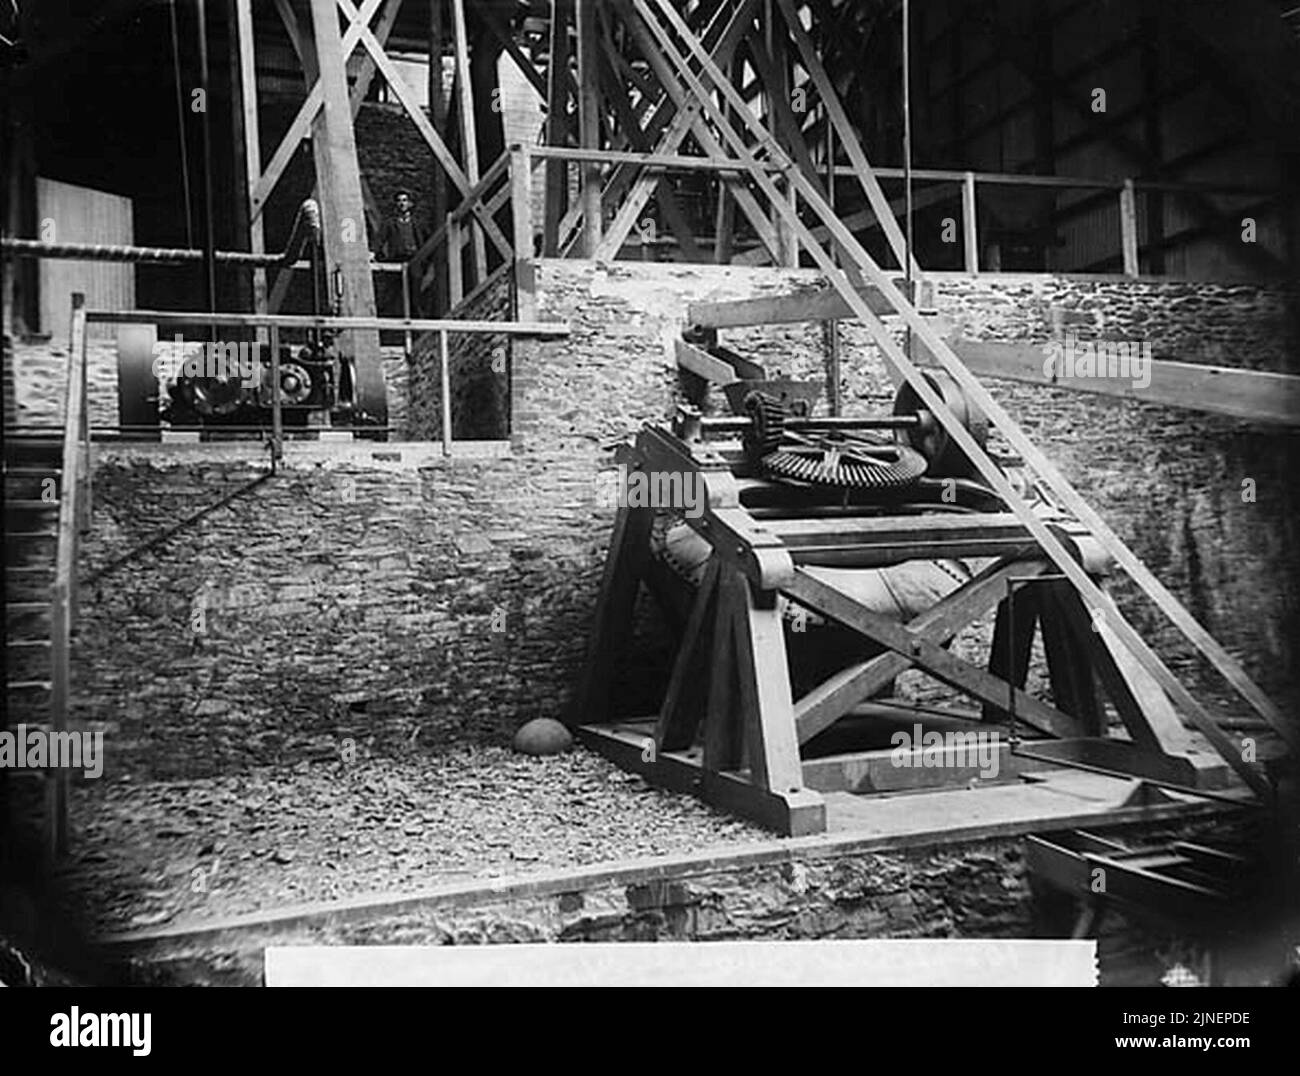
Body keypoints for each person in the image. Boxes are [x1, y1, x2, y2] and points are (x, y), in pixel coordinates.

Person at [372, 190, 426, 341]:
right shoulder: (390, 223)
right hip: (396, 262)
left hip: (414, 262)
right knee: (390, 297)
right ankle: (381, 334)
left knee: (415, 299)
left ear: (410, 204)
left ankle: (420, 336)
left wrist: (424, 260)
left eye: (405, 200)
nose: (402, 203)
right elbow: (380, 239)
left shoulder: (417, 223)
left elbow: (426, 240)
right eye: (399, 201)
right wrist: (373, 253)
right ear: (396, 204)